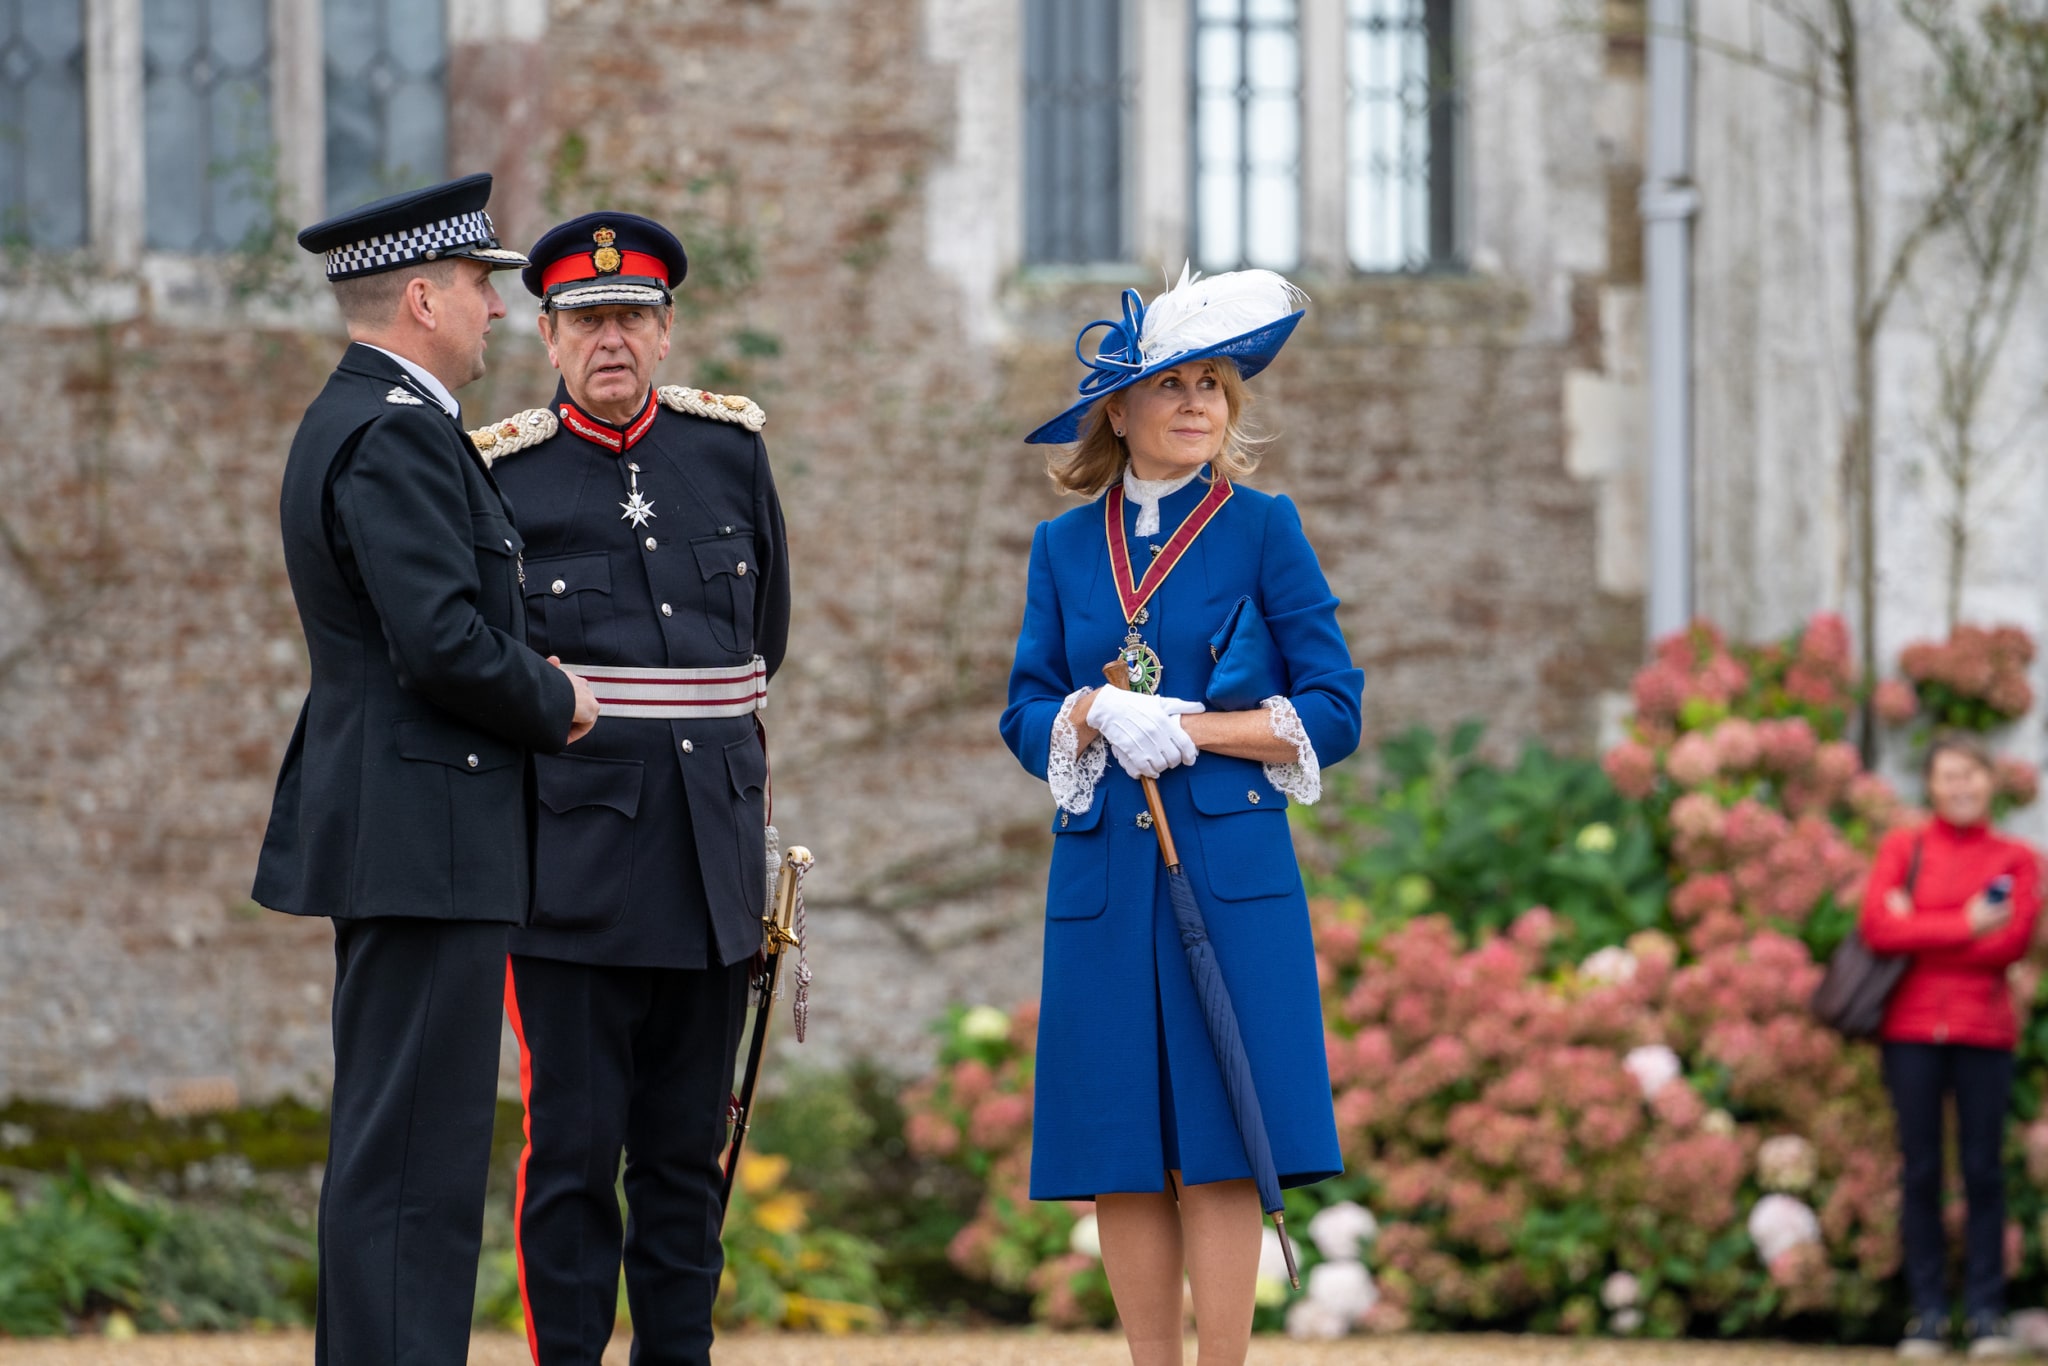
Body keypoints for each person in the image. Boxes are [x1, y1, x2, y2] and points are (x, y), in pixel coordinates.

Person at [253, 173, 600, 1365]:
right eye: (476, 287)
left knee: (395, 1149)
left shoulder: (366, 419)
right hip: (425, 834)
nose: (495, 312)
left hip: (411, 828)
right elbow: (439, 639)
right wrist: (558, 697)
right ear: (420, 297)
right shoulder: (394, 430)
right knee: (417, 1161)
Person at [999, 267, 1362, 1366]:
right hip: (1104, 877)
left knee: (1214, 1139)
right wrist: (1089, 709)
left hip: (1231, 875)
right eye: (1173, 385)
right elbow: (1020, 712)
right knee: (1122, 1138)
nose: (1199, 402)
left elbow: (1333, 710)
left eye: (1214, 384)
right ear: (1119, 409)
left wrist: (1195, 730)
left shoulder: (1263, 527)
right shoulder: (1062, 548)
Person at [469, 211, 790, 1366]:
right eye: (586, 320)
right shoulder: (502, 474)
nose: (612, 338)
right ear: (547, 340)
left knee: (681, 1157)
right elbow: (498, 671)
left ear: (666, 332)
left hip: (709, 864)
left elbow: (765, 643)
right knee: (571, 1153)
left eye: (633, 318)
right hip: (573, 874)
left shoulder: (730, 454)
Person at [1860, 734, 2042, 1359]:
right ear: (1931, 786)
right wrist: (1964, 923)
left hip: (1983, 1032)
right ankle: (1928, 1314)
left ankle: (1987, 1313)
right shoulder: (1902, 847)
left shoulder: (2016, 859)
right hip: (1910, 1031)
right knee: (1919, 1173)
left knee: (1984, 1173)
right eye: (1948, 776)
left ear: (1990, 782)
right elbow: (1878, 928)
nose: (1960, 786)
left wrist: (1920, 925)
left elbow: (2011, 941)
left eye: (1971, 774)